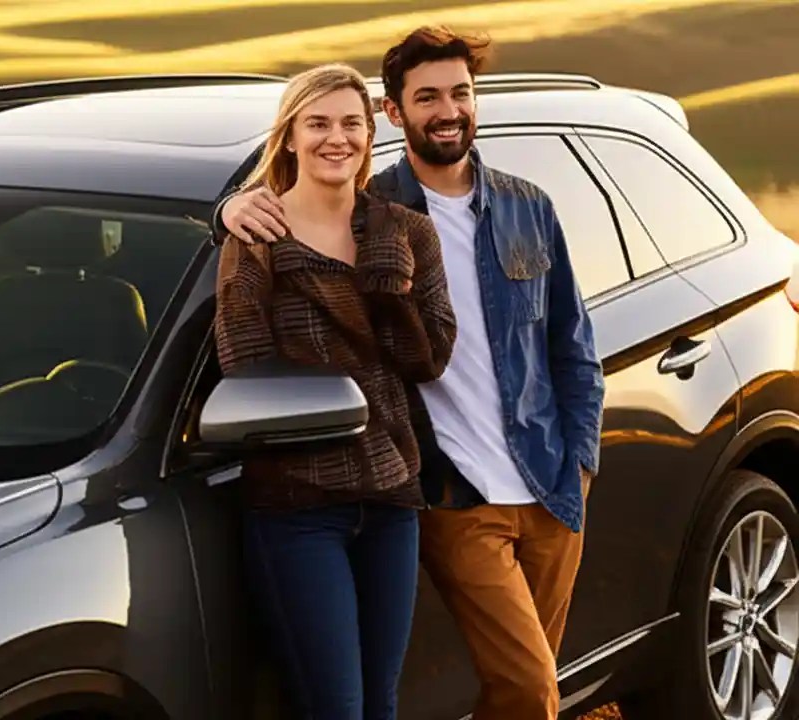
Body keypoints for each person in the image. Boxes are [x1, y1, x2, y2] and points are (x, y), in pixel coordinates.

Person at [212, 28, 605, 720]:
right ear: (395, 115)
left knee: (524, 686)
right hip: (448, 490)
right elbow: (253, 345)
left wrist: (581, 460)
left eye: (460, 93)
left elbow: (572, 345)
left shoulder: (521, 207)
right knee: (530, 689)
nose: (448, 110)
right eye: (427, 98)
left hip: (548, 484)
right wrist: (226, 210)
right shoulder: (373, 212)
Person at [213, 62, 456, 720]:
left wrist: (388, 289)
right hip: (299, 507)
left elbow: (429, 359)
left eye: (351, 123)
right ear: (289, 136)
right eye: (317, 123)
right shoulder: (254, 237)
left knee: (380, 704)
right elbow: (244, 363)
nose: (335, 138)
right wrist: (230, 206)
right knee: (336, 710)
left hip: (391, 499)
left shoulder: (407, 233)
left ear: (369, 134)